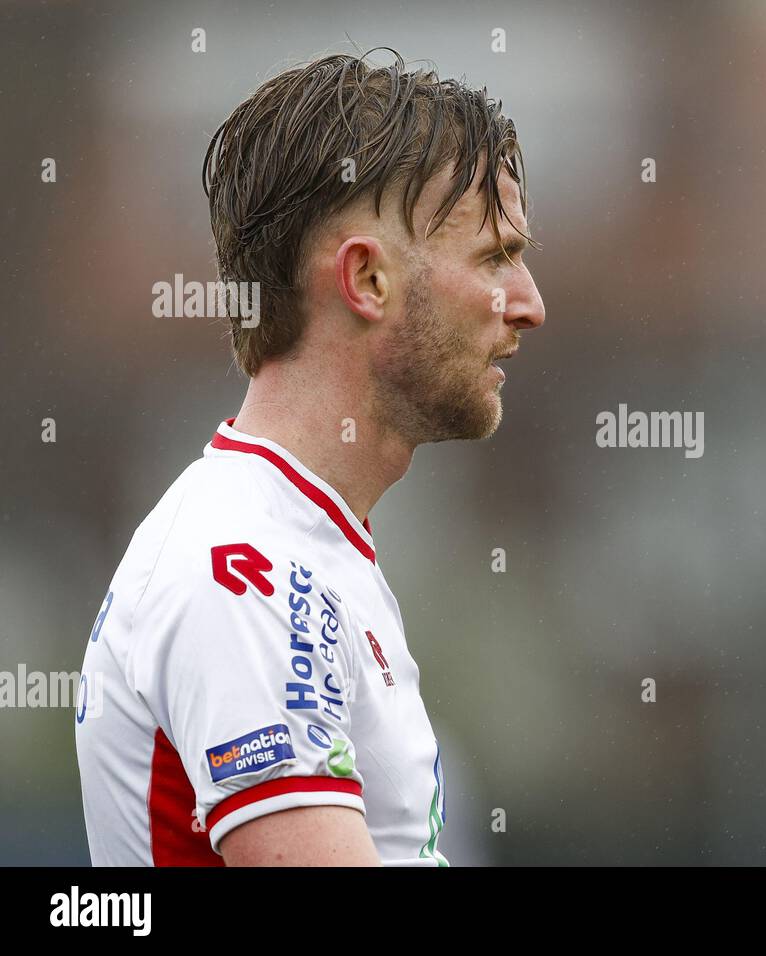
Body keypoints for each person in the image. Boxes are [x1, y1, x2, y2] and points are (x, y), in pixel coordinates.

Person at [74, 49, 546, 866]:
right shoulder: (244, 568)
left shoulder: (305, 546)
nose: (530, 305)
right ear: (367, 279)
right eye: (495, 258)